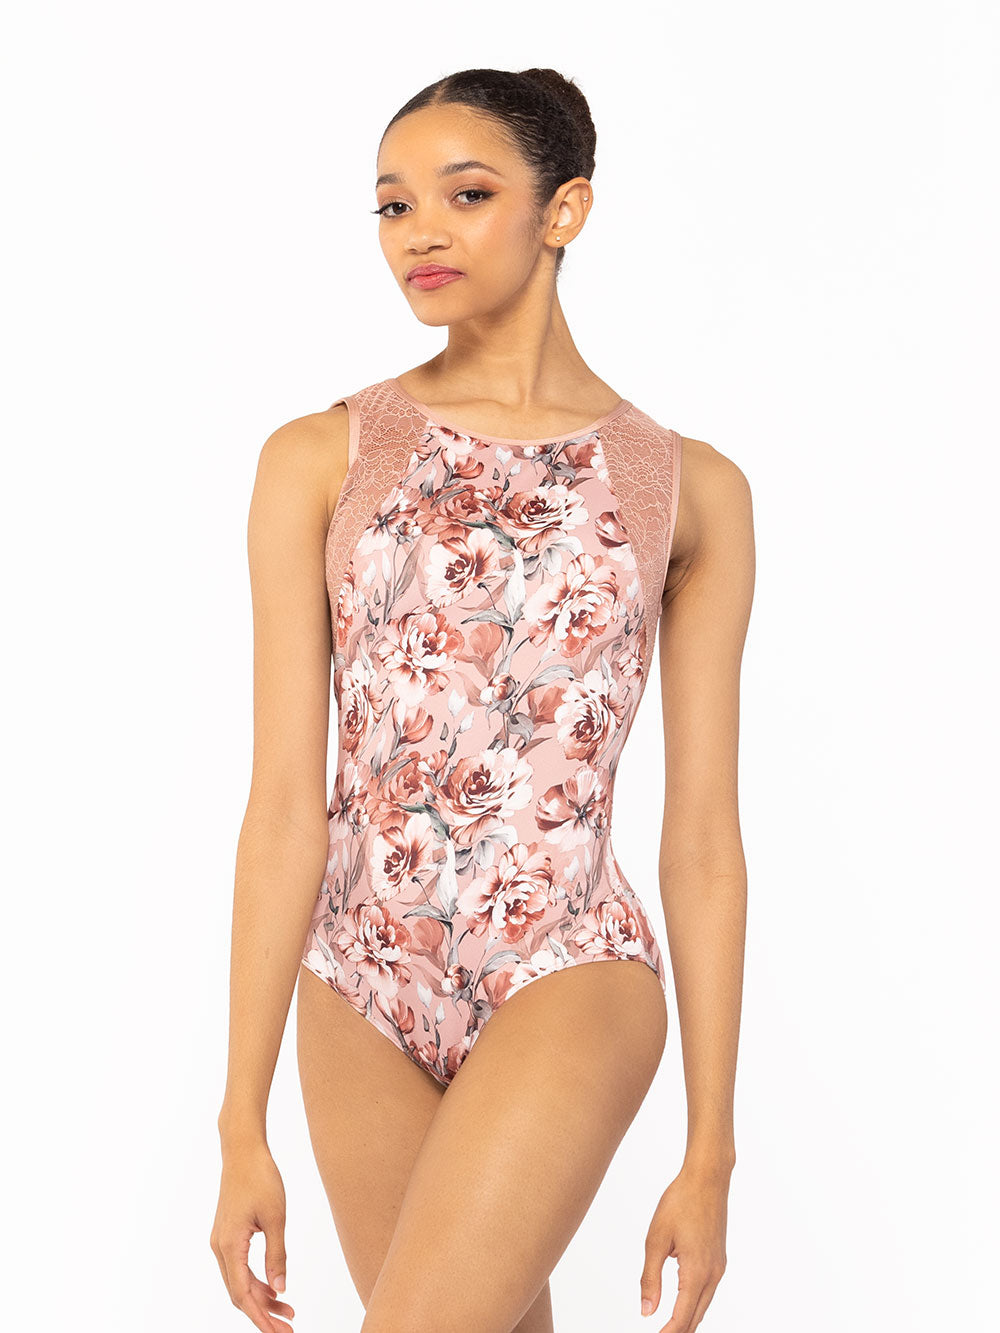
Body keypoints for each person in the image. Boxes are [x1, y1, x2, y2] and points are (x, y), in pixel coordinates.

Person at [210, 66, 754, 1333]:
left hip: (567, 961)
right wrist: (239, 1119)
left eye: (465, 194)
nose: (420, 233)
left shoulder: (687, 490)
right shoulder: (322, 456)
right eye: (394, 205)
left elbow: (702, 835)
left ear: (564, 210)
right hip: (356, 979)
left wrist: (710, 1151)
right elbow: (284, 805)